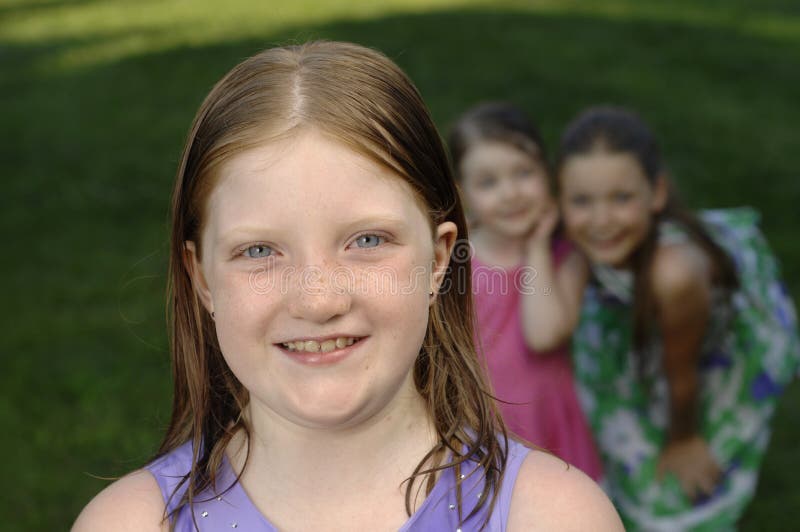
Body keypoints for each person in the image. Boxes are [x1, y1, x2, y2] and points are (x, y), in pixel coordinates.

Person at [72, 42, 622, 531]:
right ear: (203, 279)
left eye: (366, 240)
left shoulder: (553, 517)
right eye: (259, 251)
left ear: (437, 259)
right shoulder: (131, 523)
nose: (319, 300)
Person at [554, 106, 800, 530]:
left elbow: (682, 373)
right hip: (661, 330)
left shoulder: (675, 274)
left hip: (701, 353)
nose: (601, 220)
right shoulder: (593, 245)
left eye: (622, 198)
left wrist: (684, 439)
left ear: (658, 193)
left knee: (666, 504)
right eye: (581, 201)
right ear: (558, 200)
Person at [448, 103, 602, 482]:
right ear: (463, 193)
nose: (511, 193)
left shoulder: (567, 256)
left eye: (524, 173)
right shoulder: (456, 257)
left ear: (547, 175)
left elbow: (543, 335)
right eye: (488, 183)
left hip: (547, 423)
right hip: (476, 420)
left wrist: (536, 248)